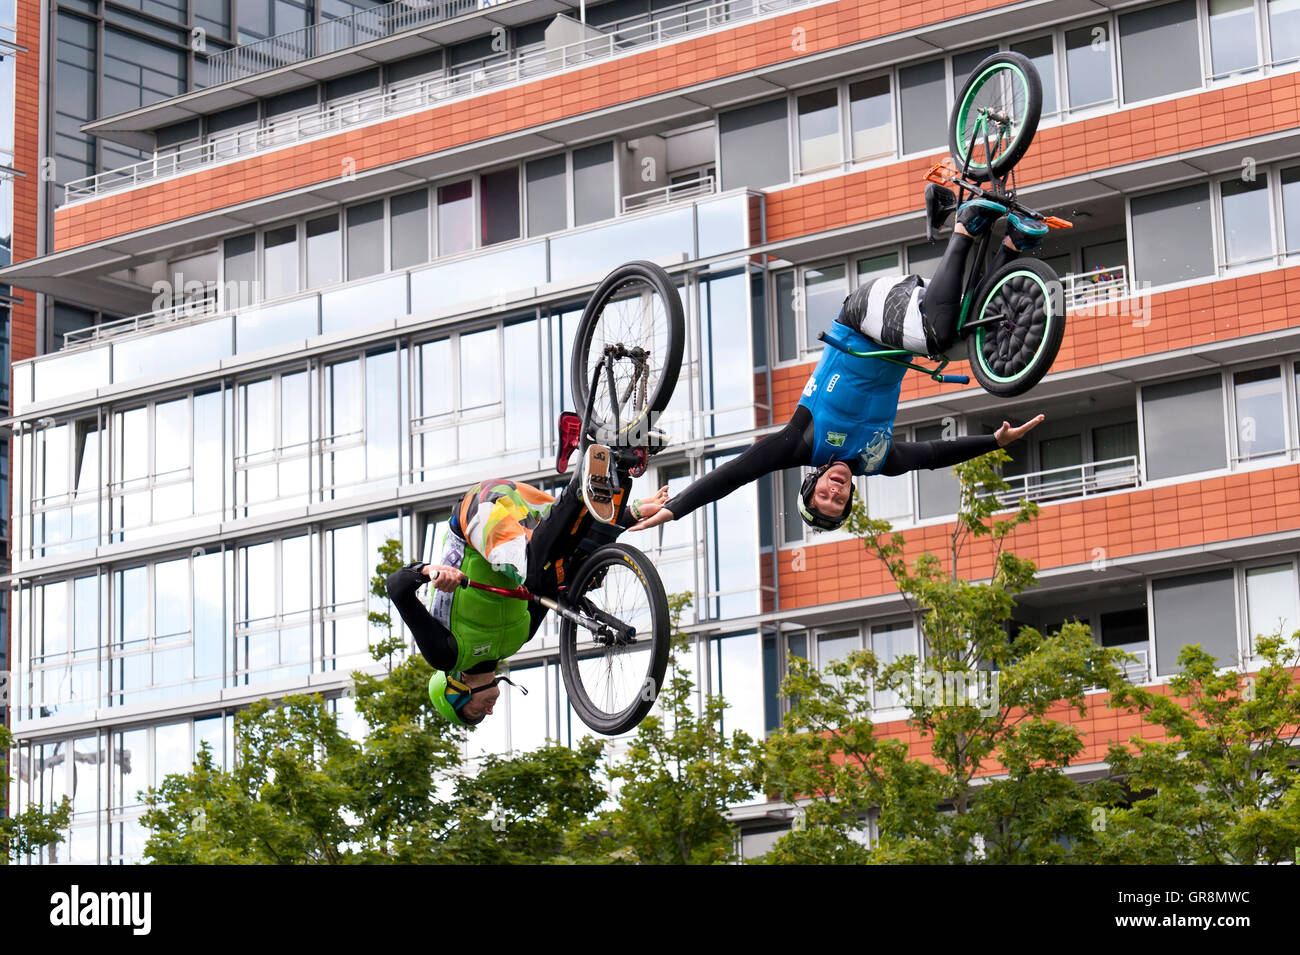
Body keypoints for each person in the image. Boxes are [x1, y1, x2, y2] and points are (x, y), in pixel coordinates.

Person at [629, 185, 1048, 535]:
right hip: (906, 335)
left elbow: (735, 474)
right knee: (973, 341)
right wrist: (994, 442)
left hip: (862, 317)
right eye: (839, 500)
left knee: (938, 337)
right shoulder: (876, 459)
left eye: (823, 496)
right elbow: (935, 454)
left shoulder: (801, 442)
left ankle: (967, 226)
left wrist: (676, 509)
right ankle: (1013, 243)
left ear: (812, 483)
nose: (835, 492)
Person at [385, 445, 670, 727]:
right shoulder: (518, 637)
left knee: (536, 572)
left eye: (475, 714)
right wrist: (629, 516)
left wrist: (428, 571)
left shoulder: (445, 656)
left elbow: (396, 587)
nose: (490, 711)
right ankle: (621, 459)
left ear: (456, 691)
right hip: (523, 512)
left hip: (479, 510)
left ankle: (580, 487)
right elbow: (556, 575)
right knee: (576, 575)